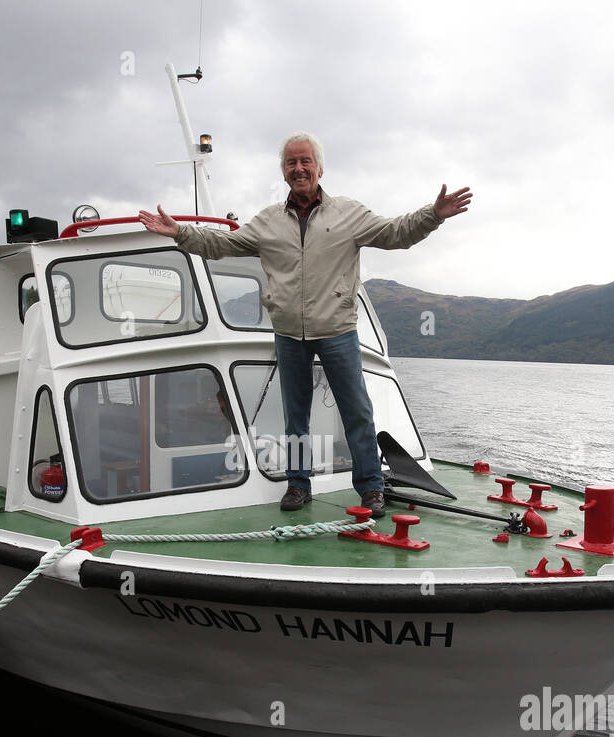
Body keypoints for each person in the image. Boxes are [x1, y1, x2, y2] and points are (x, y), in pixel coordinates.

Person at [139, 132, 471, 517]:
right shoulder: (266, 223)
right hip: (288, 334)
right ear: (283, 172)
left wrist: (433, 215)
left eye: (305, 162)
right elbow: (220, 246)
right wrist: (179, 232)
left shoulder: (348, 214)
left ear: (319, 168)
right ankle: (298, 485)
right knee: (295, 417)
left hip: (338, 331)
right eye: (291, 163)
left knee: (358, 412)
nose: (299, 169)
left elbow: (397, 233)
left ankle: (370, 488)